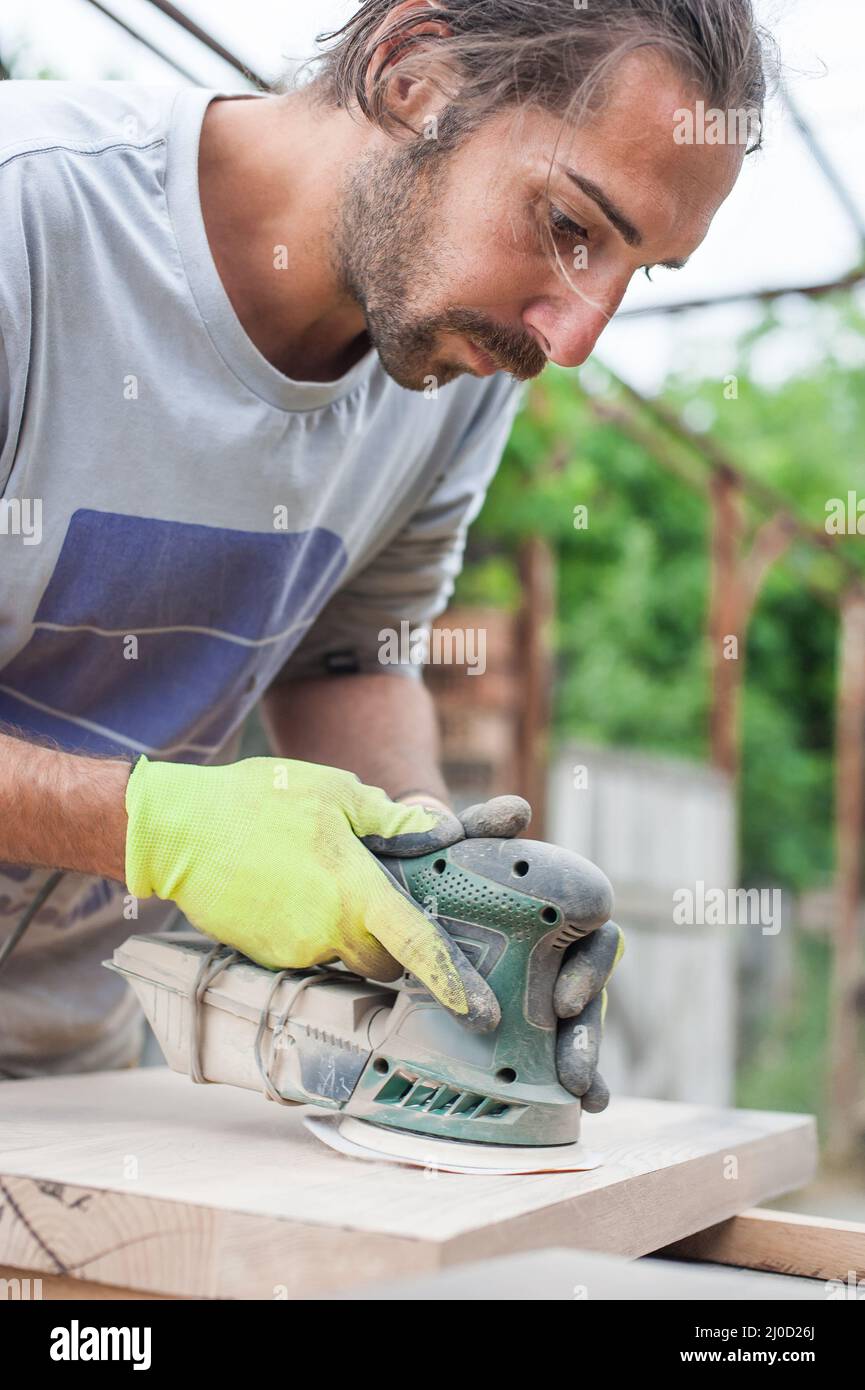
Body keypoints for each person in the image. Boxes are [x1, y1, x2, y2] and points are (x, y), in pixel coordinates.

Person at [0, 1, 768, 1091]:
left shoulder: (452, 369)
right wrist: (157, 826)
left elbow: (349, 654)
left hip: (63, 1071)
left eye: (635, 272)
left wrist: (445, 884)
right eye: (568, 226)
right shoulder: (25, 219)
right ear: (411, 71)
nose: (574, 337)